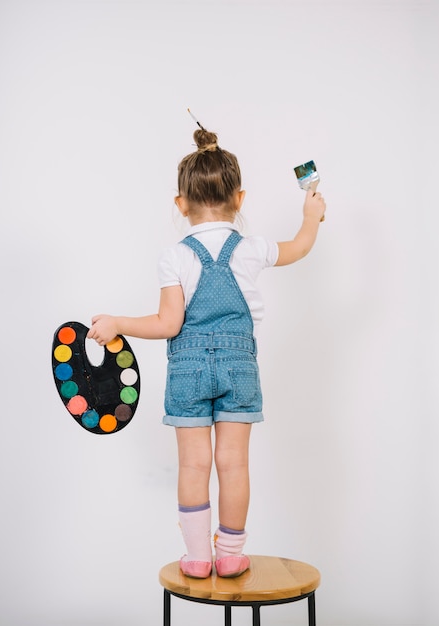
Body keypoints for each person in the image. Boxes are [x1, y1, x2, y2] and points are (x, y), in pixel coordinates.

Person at [87, 127, 326, 578]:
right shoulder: (252, 249)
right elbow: (300, 247)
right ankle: (232, 555)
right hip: (240, 368)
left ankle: (197, 557)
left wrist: (118, 324)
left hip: (188, 371)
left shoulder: (175, 256)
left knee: (193, 464)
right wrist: (311, 214)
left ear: (180, 204)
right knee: (233, 464)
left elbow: (168, 324)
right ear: (240, 198)